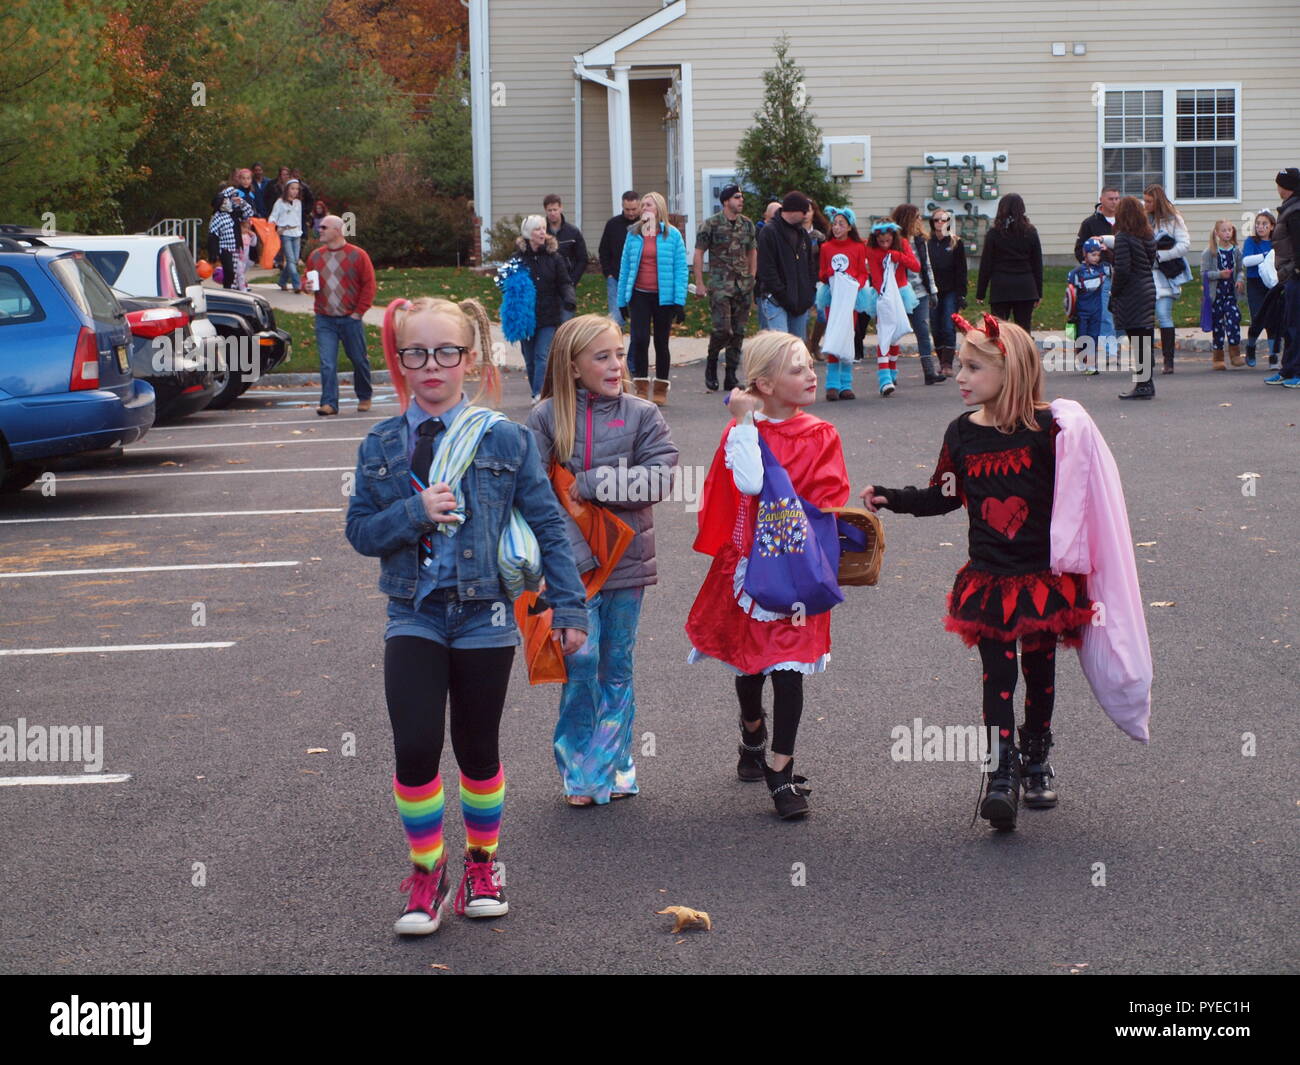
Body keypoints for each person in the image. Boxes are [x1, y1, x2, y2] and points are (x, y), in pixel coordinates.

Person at [346, 295, 588, 934]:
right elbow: (361, 533)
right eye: (416, 353)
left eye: (446, 352)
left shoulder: (504, 438)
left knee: (478, 749)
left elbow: (548, 525)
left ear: (470, 359)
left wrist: (569, 607)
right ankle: (427, 874)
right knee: (417, 746)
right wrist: (412, 513)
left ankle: (483, 865)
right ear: (399, 362)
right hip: (414, 614)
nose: (432, 365)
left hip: (485, 617)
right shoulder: (379, 444)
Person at [858, 315, 1098, 831]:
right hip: (990, 580)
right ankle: (1000, 772)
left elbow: (1082, 497)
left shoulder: (1049, 432)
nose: (959, 376)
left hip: (1040, 579)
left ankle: (1036, 757)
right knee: (998, 678)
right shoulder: (962, 433)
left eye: (972, 367)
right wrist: (892, 498)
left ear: (1008, 370)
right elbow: (945, 494)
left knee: (1040, 672)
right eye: (959, 366)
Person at [685, 331, 850, 819]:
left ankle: (781, 768)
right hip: (751, 567)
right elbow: (747, 483)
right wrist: (742, 423)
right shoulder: (741, 430)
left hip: (796, 566)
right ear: (764, 383)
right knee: (752, 663)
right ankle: (752, 730)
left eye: (809, 365)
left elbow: (831, 494)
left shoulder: (822, 434)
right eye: (796, 369)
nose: (811, 374)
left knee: (789, 664)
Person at [527, 315, 679, 806]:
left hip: (627, 561)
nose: (617, 365)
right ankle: (580, 767)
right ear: (572, 367)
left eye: (619, 353)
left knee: (617, 662)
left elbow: (659, 480)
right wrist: (565, 555)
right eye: (602, 356)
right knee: (580, 658)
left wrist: (590, 484)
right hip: (568, 567)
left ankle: (613, 763)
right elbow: (532, 496)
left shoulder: (642, 415)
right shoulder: (546, 418)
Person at [616, 191, 688, 406]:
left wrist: (679, 301)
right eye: (643, 205)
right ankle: (640, 386)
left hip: (663, 297)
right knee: (639, 340)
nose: (644, 208)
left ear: (659, 208)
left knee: (661, 343)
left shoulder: (672, 235)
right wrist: (622, 300)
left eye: (649, 205)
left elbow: (681, 269)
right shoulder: (633, 234)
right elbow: (625, 268)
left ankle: (660, 388)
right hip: (639, 295)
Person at [304, 214, 377, 416]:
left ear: (337, 230)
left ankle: (364, 395)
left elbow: (369, 285)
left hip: (350, 317)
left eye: (324, 227)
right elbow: (307, 281)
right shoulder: (315, 256)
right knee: (327, 362)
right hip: (325, 317)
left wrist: (358, 313)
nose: (320, 230)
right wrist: (306, 286)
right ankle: (329, 403)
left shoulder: (358, 255)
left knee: (358, 359)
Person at [500, 215, 575, 402]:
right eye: (537, 229)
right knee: (530, 358)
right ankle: (537, 390)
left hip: (549, 315)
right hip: (525, 318)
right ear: (528, 233)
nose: (542, 232)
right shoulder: (516, 260)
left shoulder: (554, 257)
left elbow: (564, 282)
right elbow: (504, 283)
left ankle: (539, 394)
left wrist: (569, 298)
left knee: (542, 355)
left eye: (543, 228)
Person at [694, 184, 757, 393]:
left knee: (738, 332)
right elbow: (698, 253)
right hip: (721, 285)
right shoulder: (710, 225)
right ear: (725, 201)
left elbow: (752, 252)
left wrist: (752, 278)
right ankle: (712, 362)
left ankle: (731, 375)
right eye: (737, 197)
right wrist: (700, 283)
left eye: (742, 197)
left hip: (743, 285)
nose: (741, 201)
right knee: (723, 330)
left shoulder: (747, 225)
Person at [815, 205, 870, 400]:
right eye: (834, 224)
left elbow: (863, 272)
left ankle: (846, 384)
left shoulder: (858, 247)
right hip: (833, 297)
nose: (836, 227)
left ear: (849, 227)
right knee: (834, 333)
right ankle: (831, 384)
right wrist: (828, 275)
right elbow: (821, 273)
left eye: (841, 224)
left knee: (848, 334)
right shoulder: (826, 247)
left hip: (851, 297)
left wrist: (858, 284)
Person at [863, 220, 920, 396]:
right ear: (875, 237)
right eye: (880, 239)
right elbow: (876, 275)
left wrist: (898, 256)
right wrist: (883, 296)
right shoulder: (871, 249)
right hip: (883, 294)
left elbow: (916, 266)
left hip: (901, 292)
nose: (884, 241)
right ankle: (884, 378)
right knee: (884, 333)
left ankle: (892, 370)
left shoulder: (902, 244)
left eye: (887, 238)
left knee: (895, 335)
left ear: (893, 236)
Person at [1110, 197, 1159, 400]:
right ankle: (1146, 382)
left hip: (1131, 293)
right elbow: (1148, 261)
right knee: (1144, 337)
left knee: (1137, 338)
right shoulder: (1148, 235)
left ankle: (1143, 384)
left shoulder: (1123, 237)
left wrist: (1114, 292)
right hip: (1147, 288)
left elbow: (1122, 270)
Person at [893, 203, 945, 385]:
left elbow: (926, 266)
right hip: (898, 292)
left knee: (923, 330)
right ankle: (890, 373)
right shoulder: (893, 240)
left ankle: (929, 371)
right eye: (916, 217)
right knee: (894, 332)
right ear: (907, 219)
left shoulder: (921, 240)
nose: (920, 221)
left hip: (919, 292)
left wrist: (933, 291)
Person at [755, 192, 817, 341]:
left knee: (797, 348)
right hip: (775, 300)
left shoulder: (803, 235)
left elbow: (810, 267)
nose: (806, 216)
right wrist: (783, 295)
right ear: (793, 211)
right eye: (804, 212)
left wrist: (809, 294)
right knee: (780, 346)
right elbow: (766, 270)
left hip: (800, 302)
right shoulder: (769, 232)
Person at [1143, 184, 1192, 375]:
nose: (1145, 204)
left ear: (1157, 201)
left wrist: (1162, 256)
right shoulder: (1142, 219)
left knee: (1163, 315)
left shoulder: (1173, 219)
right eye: (1144, 200)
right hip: (1146, 275)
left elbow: (1184, 245)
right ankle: (1147, 360)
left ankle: (1168, 361)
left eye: (1149, 201)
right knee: (1145, 320)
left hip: (1166, 274)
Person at [976, 193, 1042, 333]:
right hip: (1025, 286)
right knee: (1023, 330)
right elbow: (1037, 263)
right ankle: (1023, 354)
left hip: (1001, 286)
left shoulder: (994, 233)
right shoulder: (1030, 232)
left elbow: (986, 264)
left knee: (999, 330)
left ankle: (1002, 354)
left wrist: (981, 292)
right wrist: (1038, 292)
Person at [1075, 186, 1122, 362]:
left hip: (1123, 272)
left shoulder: (1124, 221)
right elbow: (1079, 250)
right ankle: (1110, 352)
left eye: (1117, 198)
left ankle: (1114, 345)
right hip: (1101, 273)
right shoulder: (1090, 223)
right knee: (1105, 313)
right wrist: (1093, 254)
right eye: (1111, 198)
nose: (1115, 202)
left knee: (1122, 314)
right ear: (1101, 200)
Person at [1265, 167, 1300, 388]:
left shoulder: (1295, 211)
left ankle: (1296, 371)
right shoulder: (1289, 208)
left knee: (1296, 325)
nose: (1277, 188)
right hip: (1288, 275)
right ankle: (1287, 369)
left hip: (1295, 275)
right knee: (1288, 324)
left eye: (1279, 184)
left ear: (1286, 188)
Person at [1199, 220, 1245, 371]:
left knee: (1233, 319)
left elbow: (1240, 270)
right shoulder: (1210, 252)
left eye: (1229, 230)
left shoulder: (1236, 251)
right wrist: (1220, 274)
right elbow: (1203, 274)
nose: (1227, 233)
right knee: (1218, 325)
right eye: (1224, 230)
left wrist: (1239, 280)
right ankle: (1218, 357)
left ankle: (1235, 353)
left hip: (1230, 294)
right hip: (1216, 295)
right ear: (1217, 233)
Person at [927, 208, 968, 377]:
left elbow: (962, 270)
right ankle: (940, 357)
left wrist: (961, 294)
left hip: (951, 290)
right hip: (932, 290)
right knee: (935, 327)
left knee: (947, 325)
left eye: (943, 220)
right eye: (936, 220)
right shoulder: (927, 243)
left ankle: (947, 363)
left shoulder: (956, 243)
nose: (939, 223)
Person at [1066, 239, 1110, 374]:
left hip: (1096, 310)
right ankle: (1082, 360)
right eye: (1093, 255)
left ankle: (1091, 364)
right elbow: (1070, 294)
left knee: (1093, 336)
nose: (1096, 258)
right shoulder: (1077, 273)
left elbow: (1115, 265)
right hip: (1081, 311)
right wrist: (1070, 312)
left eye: (1098, 255)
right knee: (1082, 337)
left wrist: (1108, 250)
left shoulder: (1103, 268)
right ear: (1085, 254)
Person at [1242, 210, 1279, 369]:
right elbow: (1246, 261)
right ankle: (1250, 346)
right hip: (1255, 282)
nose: (1260, 227)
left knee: (1273, 319)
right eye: (1257, 224)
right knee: (1258, 317)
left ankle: (1273, 356)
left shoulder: (1277, 242)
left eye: (1264, 224)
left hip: (1272, 283)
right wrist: (1266, 255)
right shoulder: (1251, 242)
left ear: (1272, 227)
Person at [598, 191, 640, 327]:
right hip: (616, 277)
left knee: (639, 320)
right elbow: (603, 250)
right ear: (622, 206)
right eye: (627, 209)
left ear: (639, 206)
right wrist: (608, 273)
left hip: (639, 279)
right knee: (616, 320)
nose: (631, 213)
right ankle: (616, 347)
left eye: (634, 209)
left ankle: (636, 348)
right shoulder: (612, 224)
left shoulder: (647, 225)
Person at [544, 194, 588, 297]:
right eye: (549, 210)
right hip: (546, 284)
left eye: (555, 209)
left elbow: (582, 259)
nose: (553, 213)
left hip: (567, 282)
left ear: (561, 208)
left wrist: (572, 281)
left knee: (567, 312)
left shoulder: (573, 232)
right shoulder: (541, 232)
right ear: (545, 210)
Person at [268, 178, 304, 292]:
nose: (295, 191)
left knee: (295, 259)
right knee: (290, 260)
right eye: (292, 188)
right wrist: (273, 226)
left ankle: (282, 281)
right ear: (287, 189)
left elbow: (299, 218)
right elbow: (273, 216)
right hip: (285, 233)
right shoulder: (280, 202)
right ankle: (297, 285)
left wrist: (300, 230)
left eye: (297, 189)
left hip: (296, 233)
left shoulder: (298, 203)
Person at [755, 201, 783, 331]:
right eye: (773, 218)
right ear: (765, 216)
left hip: (782, 288)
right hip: (763, 287)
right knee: (766, 328)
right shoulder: (758, 233)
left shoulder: (785, 233)